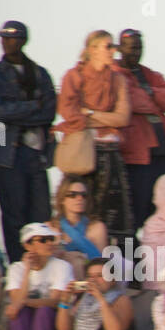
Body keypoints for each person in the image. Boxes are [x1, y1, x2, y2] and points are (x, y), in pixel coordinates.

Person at [0, 20, 56, 263]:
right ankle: (17, 268)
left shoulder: (40, 73)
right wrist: (32, 107)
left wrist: (15, 112)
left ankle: (41, 267)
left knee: (40, 215)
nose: (6, 42)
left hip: (36, 152)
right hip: (5, 150)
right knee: (13, 216)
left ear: (23, 40)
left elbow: (49, 112)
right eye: (3, 37)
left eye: (11, 38)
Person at [56, 31, 132, 245]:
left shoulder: (118, 79)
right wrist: (105, 120)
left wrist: (90, 114)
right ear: (93, 50)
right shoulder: (73, 76)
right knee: (76, 212)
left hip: (111, 156)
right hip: (82, 155)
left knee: (114, 223)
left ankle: (111, 275)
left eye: (113, 46)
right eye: (108, 46)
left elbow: (123, 118)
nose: (113, 51)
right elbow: (68, 113)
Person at [115, 29, 165, 230]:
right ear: (119, 48)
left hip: (159, 153)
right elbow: (131, 101)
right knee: (135, 213)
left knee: (160, 208)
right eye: (131, 48)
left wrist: (150, 92)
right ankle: (133, 259)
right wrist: (154, 98)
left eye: (139, 48)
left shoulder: (148, 75)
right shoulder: (114, 74)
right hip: (134, 156)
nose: (136, 53)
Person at [5, 223, 73, 330]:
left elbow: (55, 301)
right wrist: (28, 270)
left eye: (51, 239)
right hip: (27, 321)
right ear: (27, 245)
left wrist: (24, 302)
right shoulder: (16, 269)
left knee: (43, 310)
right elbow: (15, 302)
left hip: (52, 321)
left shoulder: (62, 266)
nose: (49, 243)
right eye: (42, 240)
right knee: (19, 314)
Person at [47, 174, 107, 277]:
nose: (79, 198)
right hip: (60, 278)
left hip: (91, 277)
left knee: (78, 262)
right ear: (62, 199)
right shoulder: (50, 227)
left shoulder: (97, 227)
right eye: (72, 195)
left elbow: (102, 263)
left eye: (83, 195)